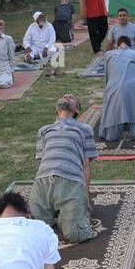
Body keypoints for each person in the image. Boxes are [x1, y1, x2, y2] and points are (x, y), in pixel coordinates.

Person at [33, 95, 99, 245]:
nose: (67, 96)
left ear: (76, 109)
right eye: (65, 96)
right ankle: (60, 213)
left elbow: (86, 165)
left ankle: (68, 214)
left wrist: (86, 197)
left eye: (71, 98)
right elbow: (43, 160)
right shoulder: (44, 130)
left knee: (76, 235)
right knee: (33, 231)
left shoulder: (84, 129)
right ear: (57, 109)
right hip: (43, 182)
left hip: (71, 182)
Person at [99, 36, 135, 142]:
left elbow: (107, 77)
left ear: (116, 45)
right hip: (134, 87)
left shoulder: (108, 54)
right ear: (131, 46)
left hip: (113, 88)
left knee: (111, 135)